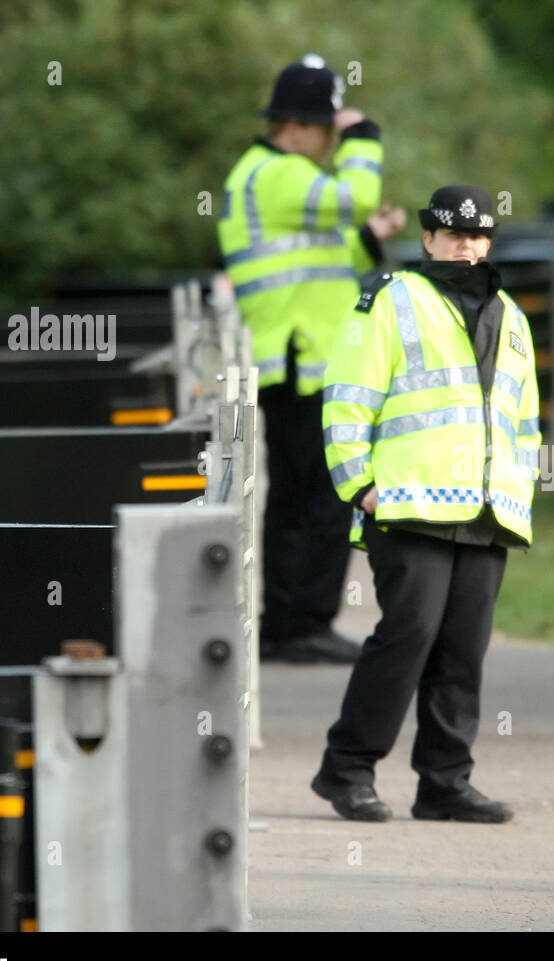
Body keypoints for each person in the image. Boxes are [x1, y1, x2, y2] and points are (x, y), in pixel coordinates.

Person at [310, 185, 540, 823]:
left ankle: (444, 782)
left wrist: (519, 499)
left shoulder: (511, 316)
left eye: (476, 235)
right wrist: (358, 484)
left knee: (463, 647)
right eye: (451, 234)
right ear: (429, 239)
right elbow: (347, 396)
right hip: (407, 505)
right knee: (408, 636)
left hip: (487, 513)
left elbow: (523, 422)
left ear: (487, 242)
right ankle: (346, 769)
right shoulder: (389, 300)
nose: (464, 244)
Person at [218, 54, 405, 664]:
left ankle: (286, 625)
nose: (332, 144)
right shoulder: (281, 175)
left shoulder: (271, 179)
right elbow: (359, 194)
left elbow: (330, 259)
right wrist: (365, 135)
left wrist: (371, 241)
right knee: (326, 498)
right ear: (296, 128)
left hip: (293, 360)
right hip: (304, 361)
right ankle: (304, 626)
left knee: (297, 502)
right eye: (328, 132)